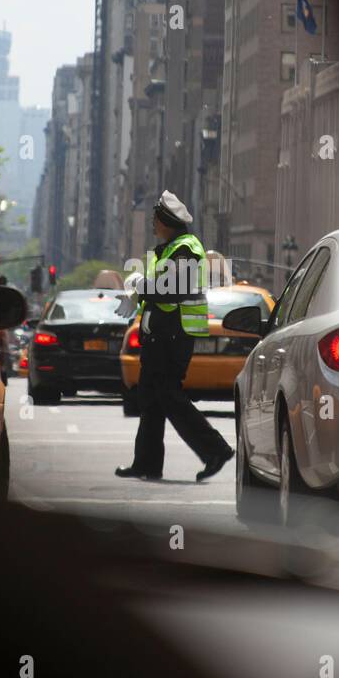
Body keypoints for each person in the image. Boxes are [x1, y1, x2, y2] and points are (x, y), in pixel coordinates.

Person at [115, 191, 234, 483]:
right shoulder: (170, 248)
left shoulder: (185, 249)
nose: (153, 224)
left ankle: (215, 449)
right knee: (152, 399)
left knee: (167, 395)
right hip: (162, 335)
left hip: (171, 337)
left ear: (167, 221)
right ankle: (146, 463)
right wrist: (137, 296)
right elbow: (161, 291)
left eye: (155, 219)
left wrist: (140, 286)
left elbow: (172, 290)